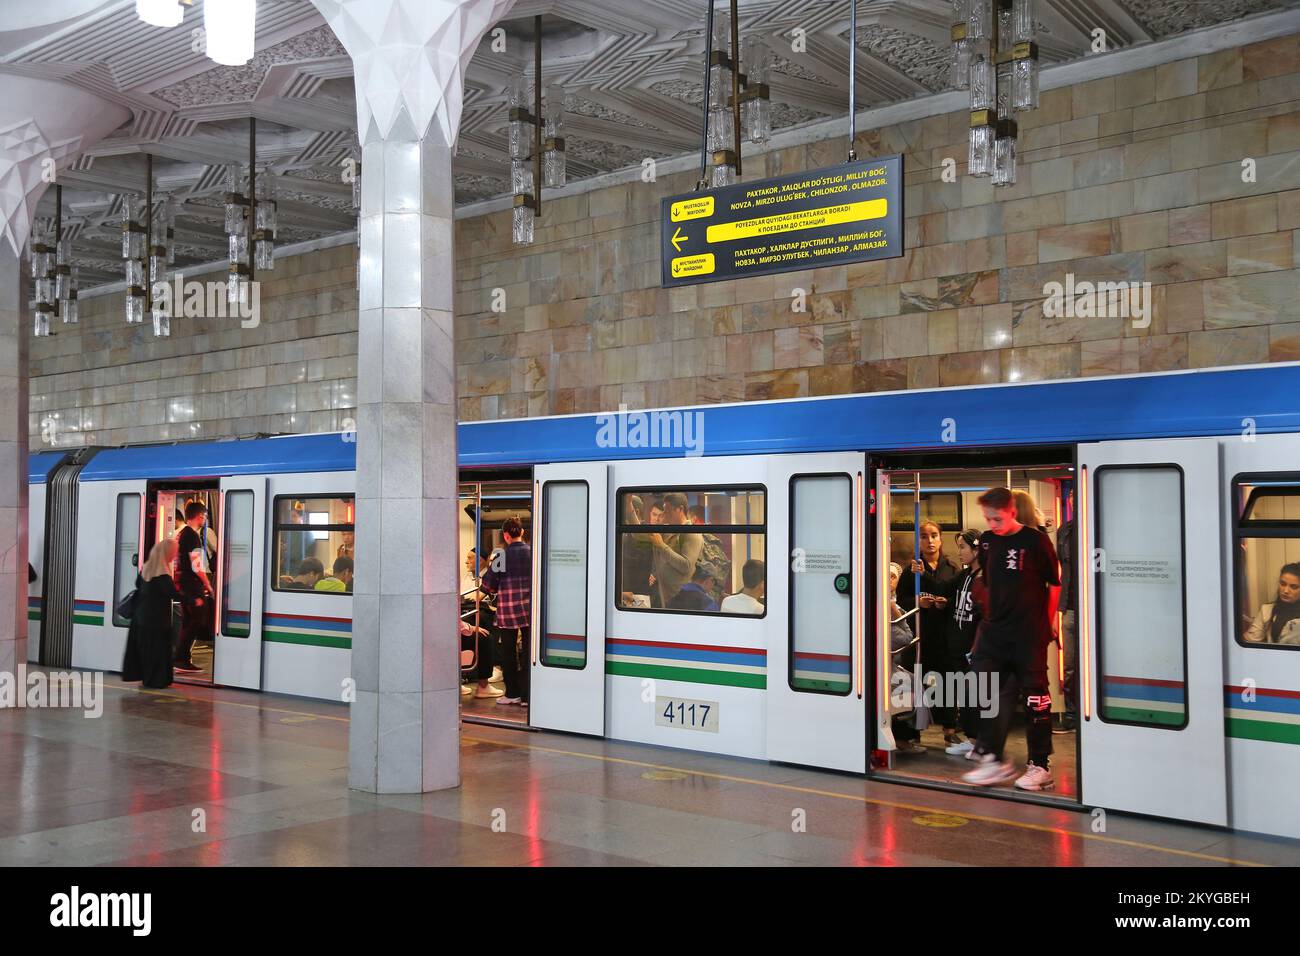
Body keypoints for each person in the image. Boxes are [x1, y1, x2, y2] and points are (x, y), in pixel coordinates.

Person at [962, 487, 1061, 791]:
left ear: (1012, 512)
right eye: (988, 519)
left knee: (1035, 697)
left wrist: (1048, 622)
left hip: (1028, 632)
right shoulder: (987, 541)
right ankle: (992, 757)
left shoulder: (1035, 541)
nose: (992, 524)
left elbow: (1055, 583)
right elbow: (991, 582)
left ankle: (1040, 765)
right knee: (983, 686)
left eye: (998, 518)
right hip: (995, 631)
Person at [898, 520, 961, 748]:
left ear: (941, 539)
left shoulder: (952, 569)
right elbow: (901, 600)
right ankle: (909, 733)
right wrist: (917, 602)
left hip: (944, 636)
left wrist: (947, 603)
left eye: (934, 535)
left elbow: (958, 598)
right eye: (924, 536)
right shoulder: (911, 570)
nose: (930, 541)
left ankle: (950, 729)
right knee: (913, 683)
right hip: (919, 636)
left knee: (947, 682)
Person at [941, 530, 984, 755]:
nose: (959, 552)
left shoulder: (985, 578)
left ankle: (980, 741)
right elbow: (944, 588)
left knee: (976, 695)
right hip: (958, 645)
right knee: (965, 696)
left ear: (976, 549)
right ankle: (971, 738)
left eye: (962, 547)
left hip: (973, 646)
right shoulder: (965, 575)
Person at [481, 516, 532, 707]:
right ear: (522, 532)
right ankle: (527, 696)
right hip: (530, 611)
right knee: (528, 652)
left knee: (508, 653)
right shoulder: (533, 552)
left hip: (508, 612)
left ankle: (512, 693)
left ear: (505, 535)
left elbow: (489, 585)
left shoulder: (501, 556)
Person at [122, 538, 180, 689]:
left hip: (140, 618)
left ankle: (148, 679)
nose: (175, 555)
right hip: (157, 620)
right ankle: (157, 681)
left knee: (147, 651)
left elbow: (137, 584)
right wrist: (194, 600)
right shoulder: (162, 573)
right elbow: (173, 593)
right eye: (174, 552)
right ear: (167, 553)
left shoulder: (146, 568)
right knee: (158, 652)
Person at [888, 561, 925, 754]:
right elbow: (904, 637)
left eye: (893, 576)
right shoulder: (888, 606)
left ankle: (907, 735)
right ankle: (902, 737)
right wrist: (895, 612)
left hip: (894, 663)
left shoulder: (897, 603)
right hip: (886, 667)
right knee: (908, 682)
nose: (889, 580)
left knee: (913, 680)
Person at [173, 502, 213, 672]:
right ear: (200, 516)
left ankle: (180, 658)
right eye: (204, 516)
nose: (205, 519)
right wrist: (208, 585)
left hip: (183, 583)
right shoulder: (192, 535)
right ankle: (181, 659)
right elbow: (197, 565)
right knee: (197, 620)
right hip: (192, 585)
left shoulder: (182, 534)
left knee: (188, 621)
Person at [649, 492, 703, 606]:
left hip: (681, 598)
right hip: (664, 595)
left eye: (668, 511)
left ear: (680, 509)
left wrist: (662, 546)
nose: (665, 514)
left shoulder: (691, 534)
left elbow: (686, 566)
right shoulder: (669, 530)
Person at [461, 547, 501, 699]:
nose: (466, 562)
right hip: (461, 620)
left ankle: (495, 666)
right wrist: (470, 628)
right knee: (484, 638)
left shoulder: (489, 577)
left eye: (470, 558)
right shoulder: (466, 577)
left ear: (481, 561)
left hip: (478, 613)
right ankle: (483, 685)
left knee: (485, 623)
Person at [1055, 486, 1078, 732]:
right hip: (1069, 605)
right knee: (1070, 666)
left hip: (1093, 608)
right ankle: (1072, 713)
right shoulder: (1064, 531)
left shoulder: (1097, 526)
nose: (1073, 499)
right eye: (1070, 495)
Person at [1244, 562, 1300, 645]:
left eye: (1293, 587)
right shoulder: (1267, 610)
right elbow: (1249, 640)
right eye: (1283, 584)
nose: (1286, 591)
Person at [620, 495, 655, 607]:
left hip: (638, 594)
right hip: (624, 593)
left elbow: (639, 559)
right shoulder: (623, 531)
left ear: (637, 511)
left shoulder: (646, 533)